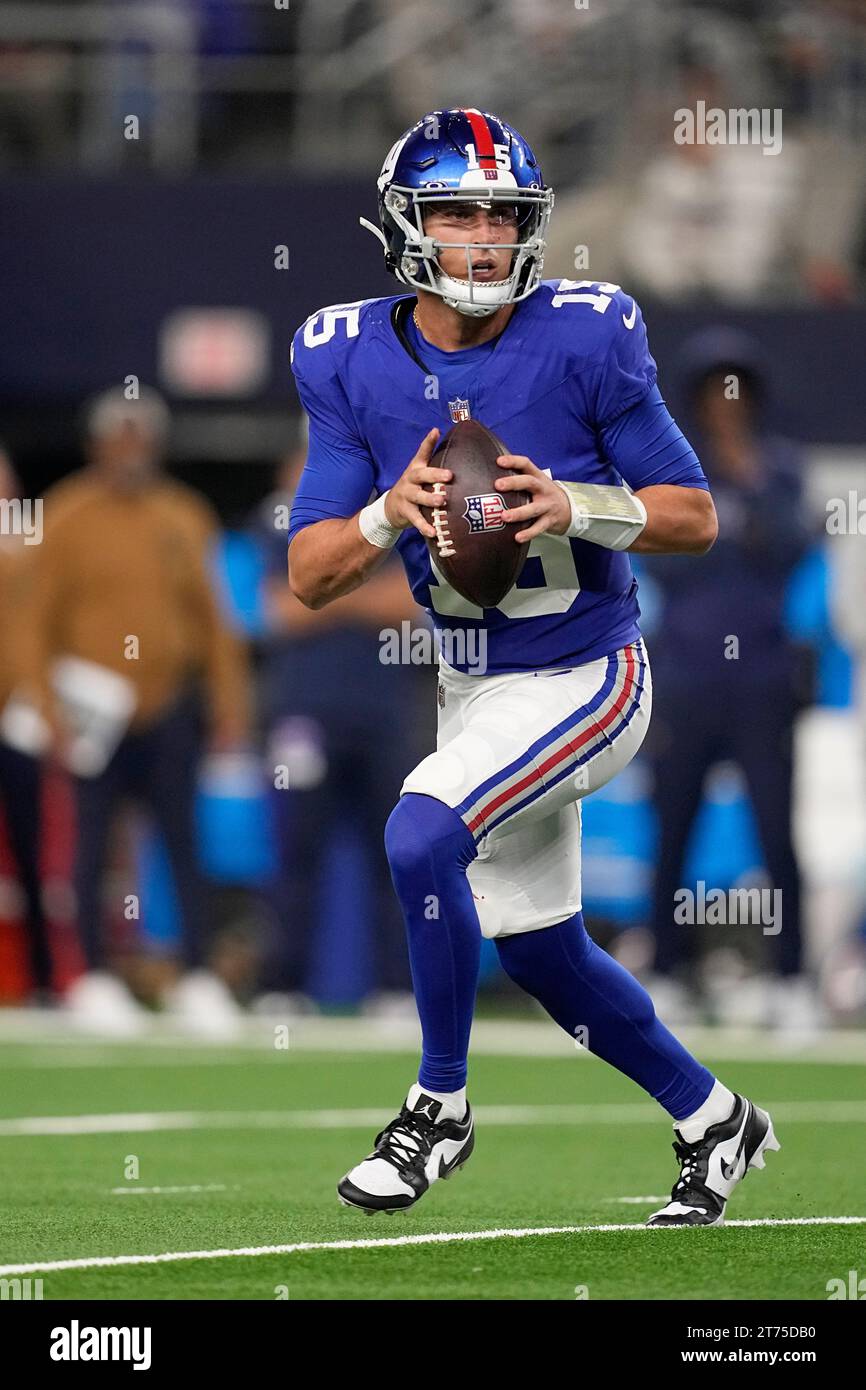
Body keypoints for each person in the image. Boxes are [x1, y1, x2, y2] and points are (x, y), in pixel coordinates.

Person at [287, 108, 780, 1227]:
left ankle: (439, 1106)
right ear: (407, 225)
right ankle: (715, 1122)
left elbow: (695, 515)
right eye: (456, 211)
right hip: (473, 688)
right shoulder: (343, 352)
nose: (481, 237)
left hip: (588, 675)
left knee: (419, 828)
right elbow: (309, 574)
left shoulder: (588, 334)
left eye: (500, 215)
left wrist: (577, 504)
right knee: (546, 954)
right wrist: (381, 516)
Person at [28, 386, 252, 1037]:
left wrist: (229, 703)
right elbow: (32, 624)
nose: (130, 451)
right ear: (97, 444)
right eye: (118, 437)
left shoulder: (181, 514)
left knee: (184, 843)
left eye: (140, 438)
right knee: (90, 848)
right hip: (89, 715)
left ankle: (199, 977)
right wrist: (45, 709)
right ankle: (92, 977)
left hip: (169, 706)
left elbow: (214, 621)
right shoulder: (66, 515)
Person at [642, 329, 817, 1032]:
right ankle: (664, 969)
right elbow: (663, 562)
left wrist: (746, 487)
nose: (726, 402)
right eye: (713, 390)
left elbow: (791, 551)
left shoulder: (781, 472)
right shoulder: (670, 474)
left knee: (778, 832)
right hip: (688, 677)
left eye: (735, 387)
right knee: (671, 828)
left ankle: (793, 977)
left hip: (763, 684)